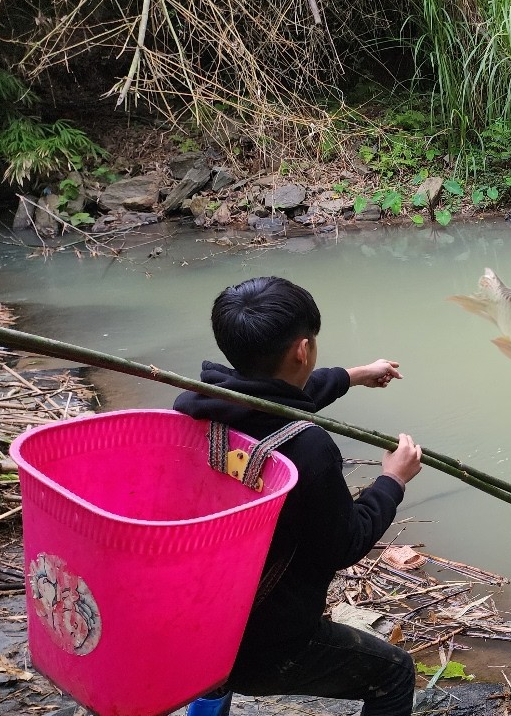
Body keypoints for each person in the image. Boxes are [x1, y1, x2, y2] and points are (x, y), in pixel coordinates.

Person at [174, 276, 424, 716]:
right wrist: (392, 480)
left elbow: (275, 400)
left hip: (197, 620)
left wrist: (354, 376)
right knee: (394, 673)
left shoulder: (195, 408)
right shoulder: (309, 448)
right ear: (303, 350)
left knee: (213, 659)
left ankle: (208, 693)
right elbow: (346, 542)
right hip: (261, 644)